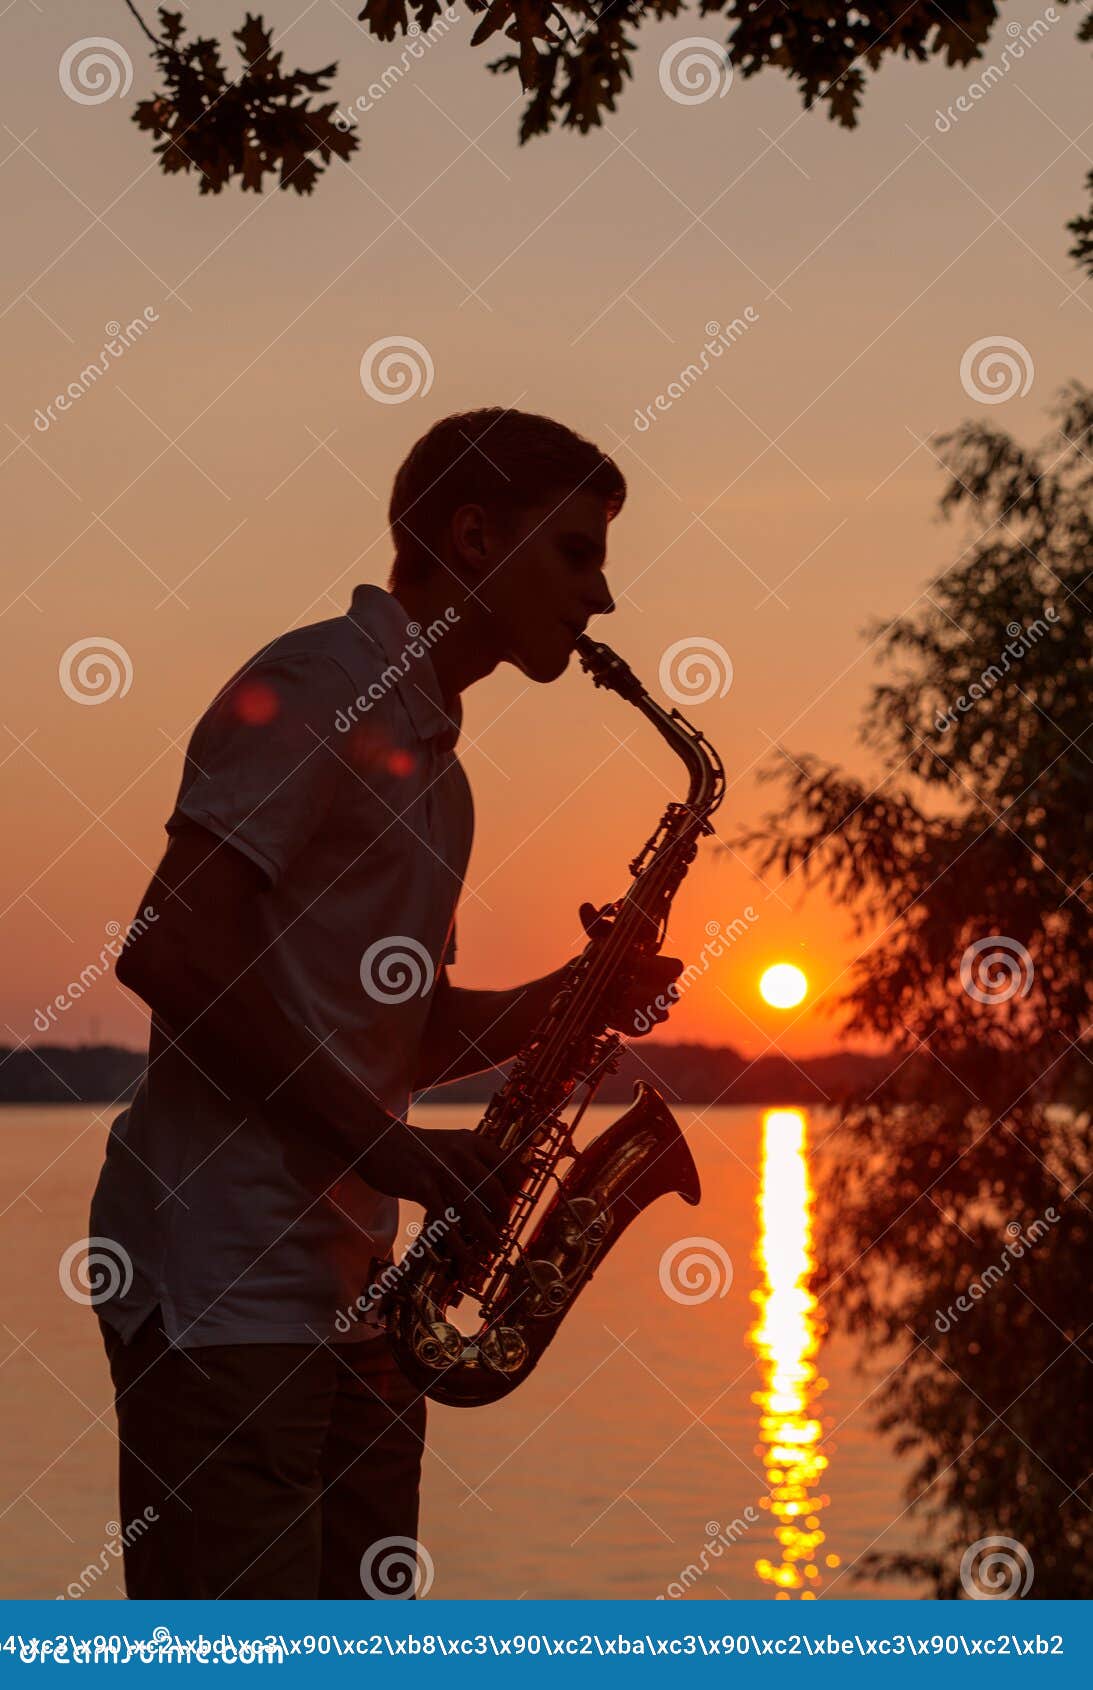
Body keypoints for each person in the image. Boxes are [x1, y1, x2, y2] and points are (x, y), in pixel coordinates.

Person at [89, 407, 683, 1599]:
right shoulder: (313, 686)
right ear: (472, 536)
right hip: (225, 1293)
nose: (602, 600)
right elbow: (169, 953)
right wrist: (397, 1153)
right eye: (577, 552)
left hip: (360, 1303)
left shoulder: (439, 772)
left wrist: (564, 1001)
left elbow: (393, 1032)